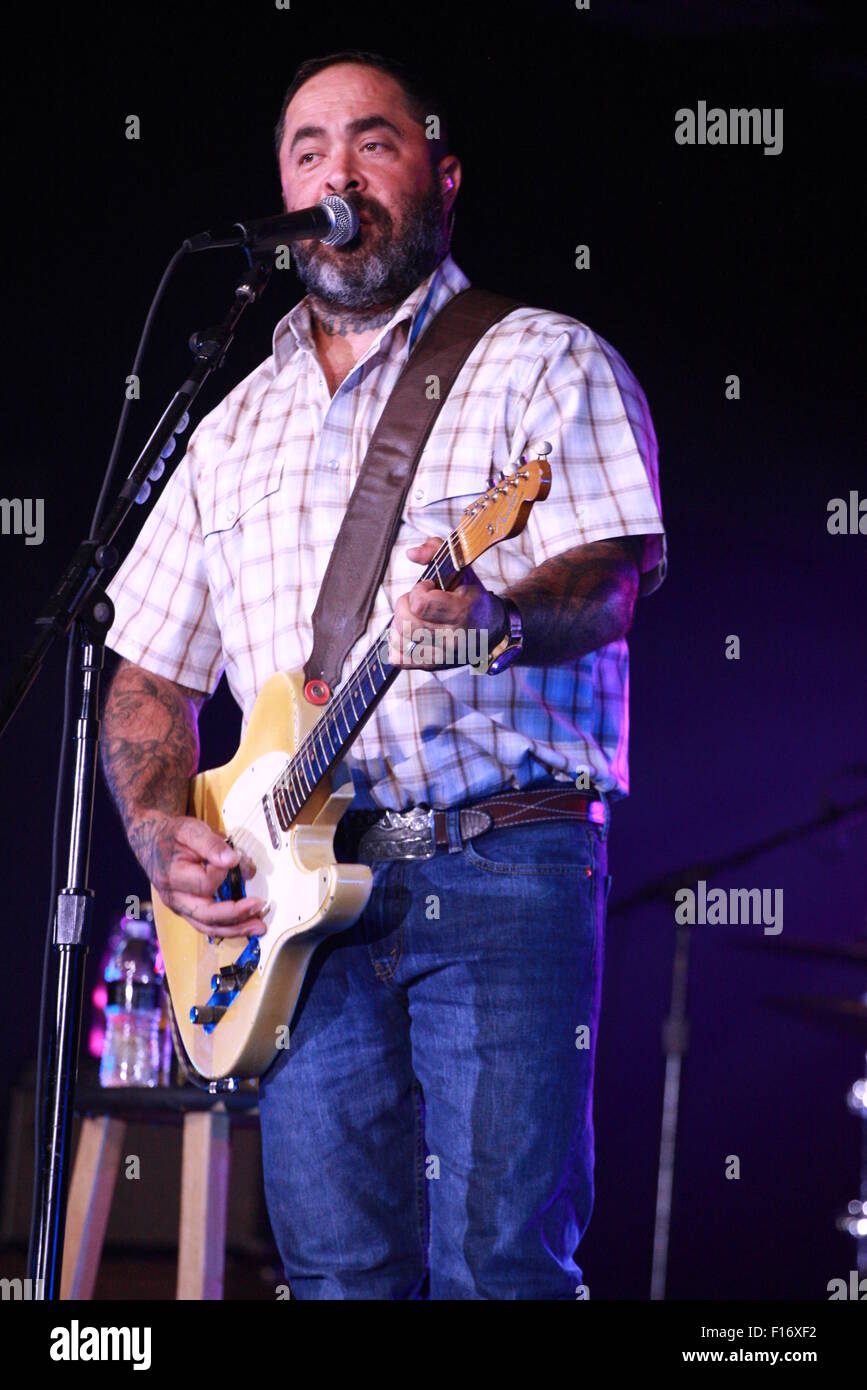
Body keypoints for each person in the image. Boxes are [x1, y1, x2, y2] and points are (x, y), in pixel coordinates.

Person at [100, 49, 666, 1300]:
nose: (335, 171)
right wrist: (154, 829)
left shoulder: (542, 361)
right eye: (307, 151)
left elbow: (613, 577)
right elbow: (145, 675)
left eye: (373, 141)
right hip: (300, 909)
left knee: (500, 1268)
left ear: (441, 176)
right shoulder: (227, 424)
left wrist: (500, 617)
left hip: (502, 863)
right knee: (336, 1272)